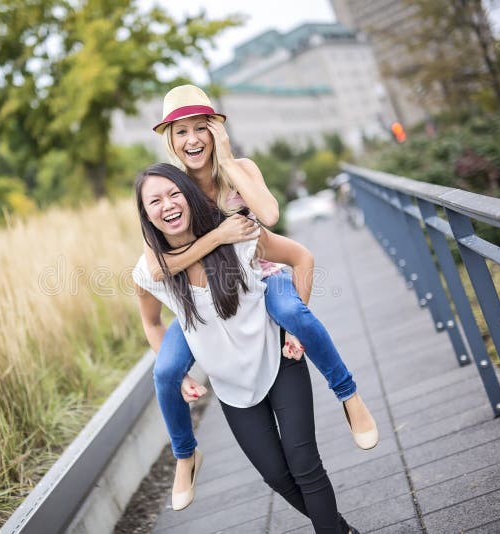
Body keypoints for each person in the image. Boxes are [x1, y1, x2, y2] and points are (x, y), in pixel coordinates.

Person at [144, 85, 377, 509]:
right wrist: (218, 234)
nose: (192, 139)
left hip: (261, 277)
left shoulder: (239, 168)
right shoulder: (172, 189)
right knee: (164, 372)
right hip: (204, 299)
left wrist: (229, 160)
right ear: (169, 140)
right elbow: (158, 268)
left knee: (291, 310)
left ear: (217, 131)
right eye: (181, 132)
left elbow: (269, 216)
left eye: (202, 128)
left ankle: (349, 394)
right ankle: (185, 455)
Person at [133, 163, 359, 534]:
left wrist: (295, 326)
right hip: (233, 387)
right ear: (145, 215)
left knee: (305, 465)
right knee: (277, 477)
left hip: (279, 361)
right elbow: (151, 322)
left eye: (174, 193)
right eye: (154, 200)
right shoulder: (148, 275)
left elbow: (301, 257)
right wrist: (178, 370)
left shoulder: (239, 235)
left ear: (190, 198)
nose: (167, 205)